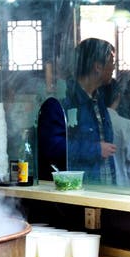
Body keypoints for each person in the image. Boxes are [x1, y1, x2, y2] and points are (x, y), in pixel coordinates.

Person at [37, 38, 117, 184]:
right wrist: (95, 150)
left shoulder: (98, 99)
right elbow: (52, 147)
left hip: (103, 187)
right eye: (111, 62)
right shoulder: (63, 101)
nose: (114, 67)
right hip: (77, 189)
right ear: (98, 67)